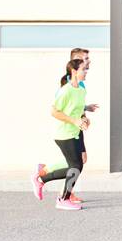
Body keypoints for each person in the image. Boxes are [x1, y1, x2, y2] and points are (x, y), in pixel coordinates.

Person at [33, 57, 89, 210]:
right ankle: (62, 198)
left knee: (77, 166)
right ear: (74, 71)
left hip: (76, 133)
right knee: (75, 167)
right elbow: (54, 112)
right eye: (83, 69)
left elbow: (79, 111)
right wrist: (74, 121)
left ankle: (42, 178)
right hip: (64, 134)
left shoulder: (82, 90)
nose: (86, 71)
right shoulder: (66, 91)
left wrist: (84, 120)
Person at [59, 47, 100, 166]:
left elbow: (76, 105)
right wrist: (79, 119)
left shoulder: (80, 83)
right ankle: (43, 173)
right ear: (77, 60)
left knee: (80, 161)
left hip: (77, 127)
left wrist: (85, 110)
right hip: (69, 129)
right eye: (86, 58)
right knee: (76, 163)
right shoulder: (68, 85)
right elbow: (59, 110)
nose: (89, 61)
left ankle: (42, 172)